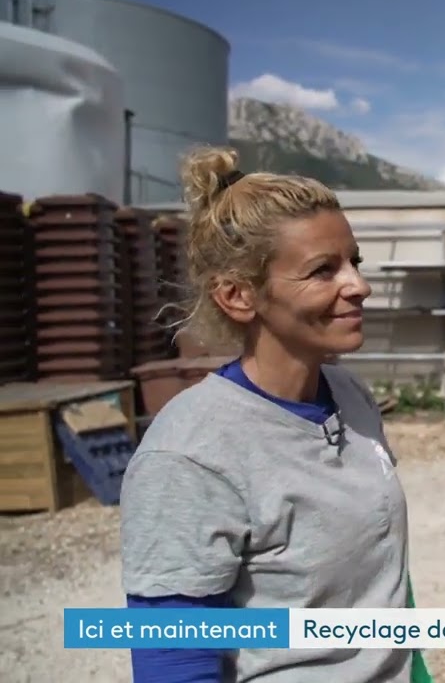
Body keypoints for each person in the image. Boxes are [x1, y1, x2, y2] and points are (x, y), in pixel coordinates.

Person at [118, 147, 423, 682]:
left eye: (354, 261)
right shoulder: (191, 455)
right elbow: (174, 660)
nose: (359, 285)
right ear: (238, 296)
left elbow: (386, 579)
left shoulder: (350, 396)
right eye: (322, 270)